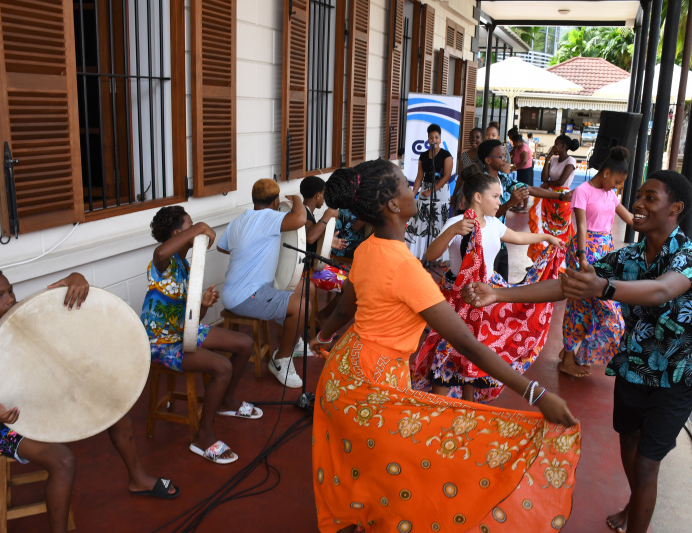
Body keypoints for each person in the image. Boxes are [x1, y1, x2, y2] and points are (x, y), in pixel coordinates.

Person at [309, 159, 580, 533]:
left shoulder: (367, 249)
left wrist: (323, 337)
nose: (414, 188)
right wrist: (535, 393)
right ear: (391, 205)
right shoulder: (407, 269)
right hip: (373, 383)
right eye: (406, 185)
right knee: (396, 472)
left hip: (343, 374)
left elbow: (344, 310)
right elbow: (468, 345)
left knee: (366, 468)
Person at [464, 170, 692, 533]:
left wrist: (605, 288)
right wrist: (500, 294)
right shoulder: (627, 256)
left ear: (675, 208)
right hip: (631, 370)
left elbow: (660, 291)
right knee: (629, 447)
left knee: (647, 463)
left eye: (650, 198)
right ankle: (636, 501)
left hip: (677, 376)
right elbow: (569, 286)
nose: (638, 205)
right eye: (638, 196)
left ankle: (637, 516)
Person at [0, 268, 179, 532]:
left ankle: (138, 478)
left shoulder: (27, 314)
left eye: (10, 290)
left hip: (43, 396)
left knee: (115, 409)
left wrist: (77, 278)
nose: (10, 299)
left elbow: (70, 292)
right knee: (63, 460)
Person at [412, 164, 564, 403]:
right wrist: (452, 231)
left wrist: (546, 237)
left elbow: (519, 237)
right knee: (448, 348)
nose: (499, 202)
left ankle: (470, 404)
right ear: (478, 197)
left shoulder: (494, 224)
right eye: (495, 197)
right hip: (456, 296)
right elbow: (431, 255)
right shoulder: (456, 222)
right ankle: (438, 405)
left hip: (488, 295)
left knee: (478, 350)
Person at [142, 207, 259, 465]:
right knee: (222, 367)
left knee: (244, 343)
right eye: (190, 226)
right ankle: (202, 438)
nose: (197, 229)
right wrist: (201, 227)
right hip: (161, 344)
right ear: (177, 234)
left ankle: (226, 402)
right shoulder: (163, 264)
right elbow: (160, 251)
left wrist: (204, 305)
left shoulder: (184, 265)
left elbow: (194, 322)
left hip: (183, 333)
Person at [217, 178, 309, 389]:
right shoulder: (270, 217)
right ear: (276, 200)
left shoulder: (240, 220)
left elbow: (223, 247)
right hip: (246, 296)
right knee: (302, 306)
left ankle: (294, 341)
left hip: (236, 292)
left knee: (300, 288)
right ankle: (282, 361)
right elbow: (299, 218)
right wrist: (296, 198)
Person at [559, 147, 633, 378]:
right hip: (585, 252)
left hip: (605, 253)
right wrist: (582, 255)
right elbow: (580, 226)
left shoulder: (610, 195)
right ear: (607, 172)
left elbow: (629, 218)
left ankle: (570, 352)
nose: (618, 187)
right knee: (580, 304)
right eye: (618, 181)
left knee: (598, 306)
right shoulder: (583, 191)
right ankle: (570, 358)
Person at [477, 139, 570, 281]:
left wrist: (561, 196)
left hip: (500, 242)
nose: (505, 160)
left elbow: (529, 189)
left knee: (502, 286)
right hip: (486, 243)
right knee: (487, 284)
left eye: (505, 156)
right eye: (501, 156)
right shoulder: (482, 183)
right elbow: (489, 216)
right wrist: (509, 204)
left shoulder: (503, 178)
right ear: (488, 160)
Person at [301, 176, 349, 319]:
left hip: (312, 266)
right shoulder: (304, 215)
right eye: (323, 194)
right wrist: (327, 215)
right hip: (307, 271)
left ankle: (322, 317)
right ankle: (321, 318)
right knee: (350, 289)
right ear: (318, 195)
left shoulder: (304, 212)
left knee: (351, 280)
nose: (324, 198)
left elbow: (310, 240)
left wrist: (329, 241)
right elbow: (310, 237)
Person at [528, 134, 579, 266]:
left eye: (557, 144)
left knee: (560, 230)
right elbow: (544, 178)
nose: (555, 146)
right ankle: (545, 260)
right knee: (546, 229)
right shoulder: (554, 159)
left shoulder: (571, 161)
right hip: (549, 197)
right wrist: (547, 159)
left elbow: (562, 181)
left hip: (562, 198)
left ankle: (560, 262)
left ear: (564, 146)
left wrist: (549, 184)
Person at [406, 124, 454, 263]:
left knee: (438, 222)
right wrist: (414, 193)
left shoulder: (446, 155)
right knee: (421, 220)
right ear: (428, 140)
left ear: (440, 139)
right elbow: (419, 177)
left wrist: (431, 191)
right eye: (431, 137)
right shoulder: (423, 156)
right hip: (426, 189)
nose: (434, 140)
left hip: (440, 191)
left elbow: (446, 176)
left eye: (436, 137)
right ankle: (420, 252)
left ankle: (439, 256)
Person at [452, 127, 484, 211]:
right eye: (472, 137)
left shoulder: (484, 156)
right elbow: (461, 176)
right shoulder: (464, 155)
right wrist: (454, 193)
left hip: (479, 191)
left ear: (482, 139)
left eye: (477, 137)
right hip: (464, 191)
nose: (474, 139)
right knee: (461, 216)